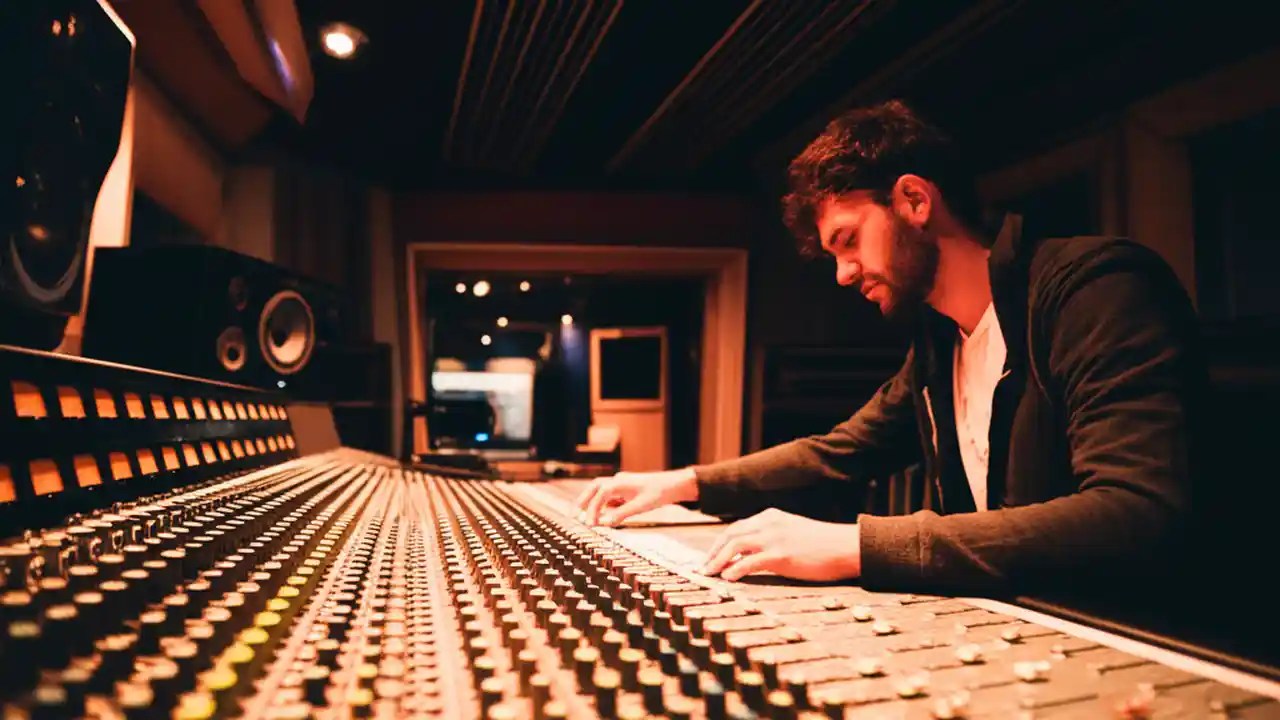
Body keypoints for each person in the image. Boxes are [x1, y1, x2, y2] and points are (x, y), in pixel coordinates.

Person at [574, 100, 1204, 596]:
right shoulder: (939, 341)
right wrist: (679, 484)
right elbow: (840, 453)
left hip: (1120, 640)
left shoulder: (1094, 291)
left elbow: (1133, 510)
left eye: (848, 240)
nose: (843, 273)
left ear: (914, 200)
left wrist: (856, 546)